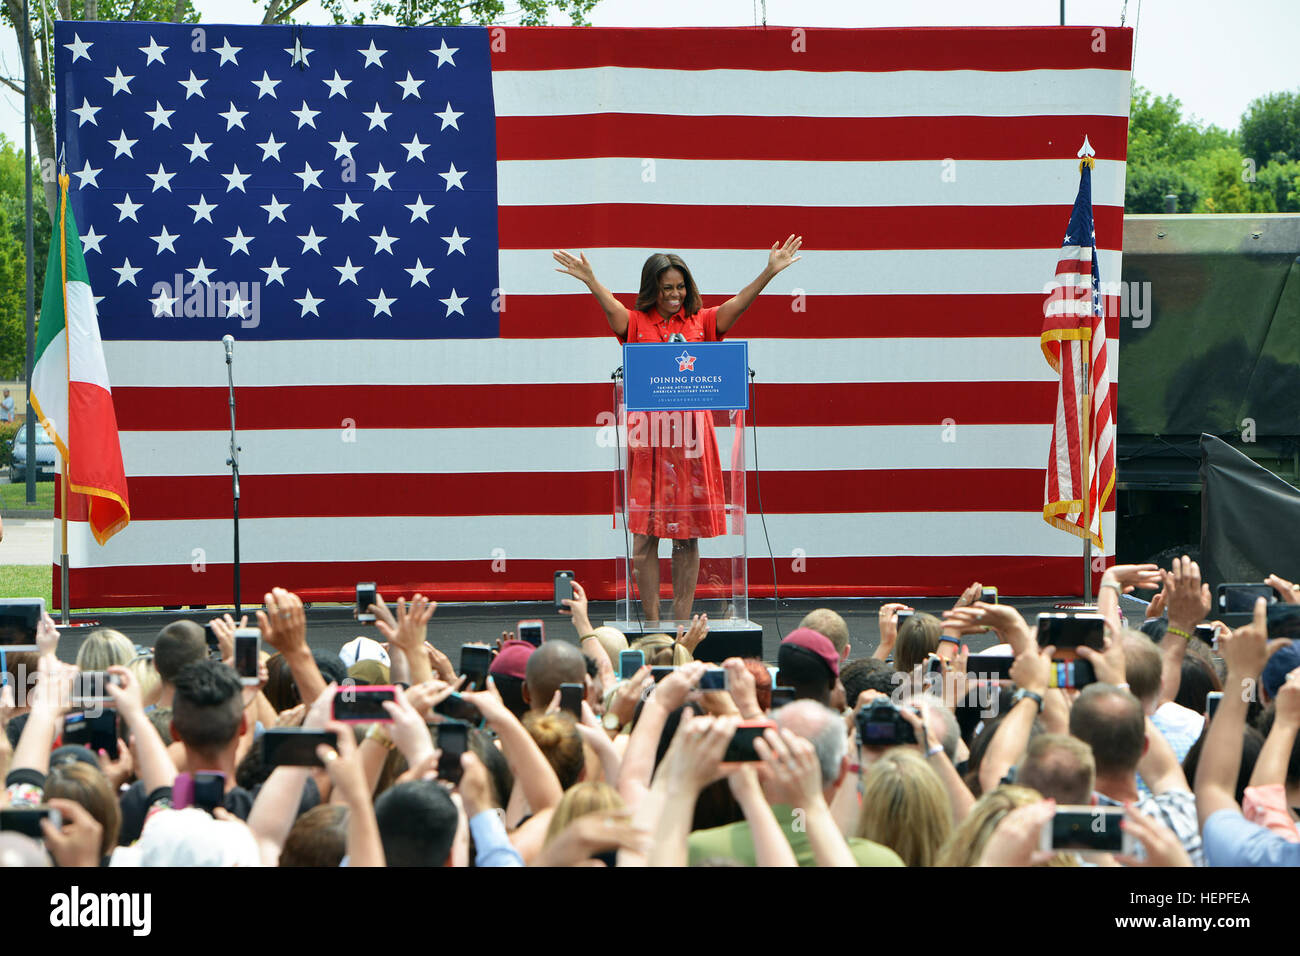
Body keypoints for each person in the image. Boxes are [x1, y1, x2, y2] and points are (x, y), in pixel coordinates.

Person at [553, 239, 802, 624]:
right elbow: (613, 309)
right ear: (653, 288)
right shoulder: (636, 323)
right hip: (650, 438)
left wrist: (769, 272)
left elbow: (740, 303)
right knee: (645, 536)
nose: (674, 294)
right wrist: (590, 280)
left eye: (680, 286)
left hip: (692, 442)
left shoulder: (702, 320)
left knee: (687, 534)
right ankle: (652, 624)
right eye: (667, 287)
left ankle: (682, 621)